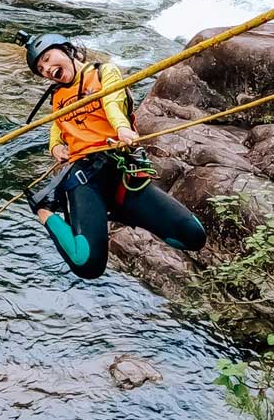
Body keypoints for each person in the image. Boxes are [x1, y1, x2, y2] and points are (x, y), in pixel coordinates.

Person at [16, 31, 206, 279]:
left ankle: (121, 209)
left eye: (49, 59)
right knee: (87, 264)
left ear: (67, 50)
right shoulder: (58, 96)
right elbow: (56, 126)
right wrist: (55, 148)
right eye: (41, 68)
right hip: (85, 175)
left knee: (193, 236)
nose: (47, 69)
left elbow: (113, 102)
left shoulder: (103, 72)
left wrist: (122, 128)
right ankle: (45, 211)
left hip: (122, 171)